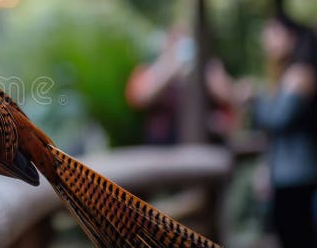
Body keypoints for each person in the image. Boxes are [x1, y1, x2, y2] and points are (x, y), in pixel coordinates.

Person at [248, 18, 317, 248]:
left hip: (300, 175)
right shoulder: (288, 75)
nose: (266, 41)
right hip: (287, 174)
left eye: (273, 34)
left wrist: (253, 100)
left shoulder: (302, 74)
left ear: (291, 37)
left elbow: (278, 118)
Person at [126, 25, 238, 144]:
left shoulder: (208, 67)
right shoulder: (152, 68)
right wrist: (170, 69)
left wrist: (206, 73)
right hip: (162, 148)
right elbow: (139, 98)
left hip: (204, 145)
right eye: (177, 41)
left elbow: (230, 97)